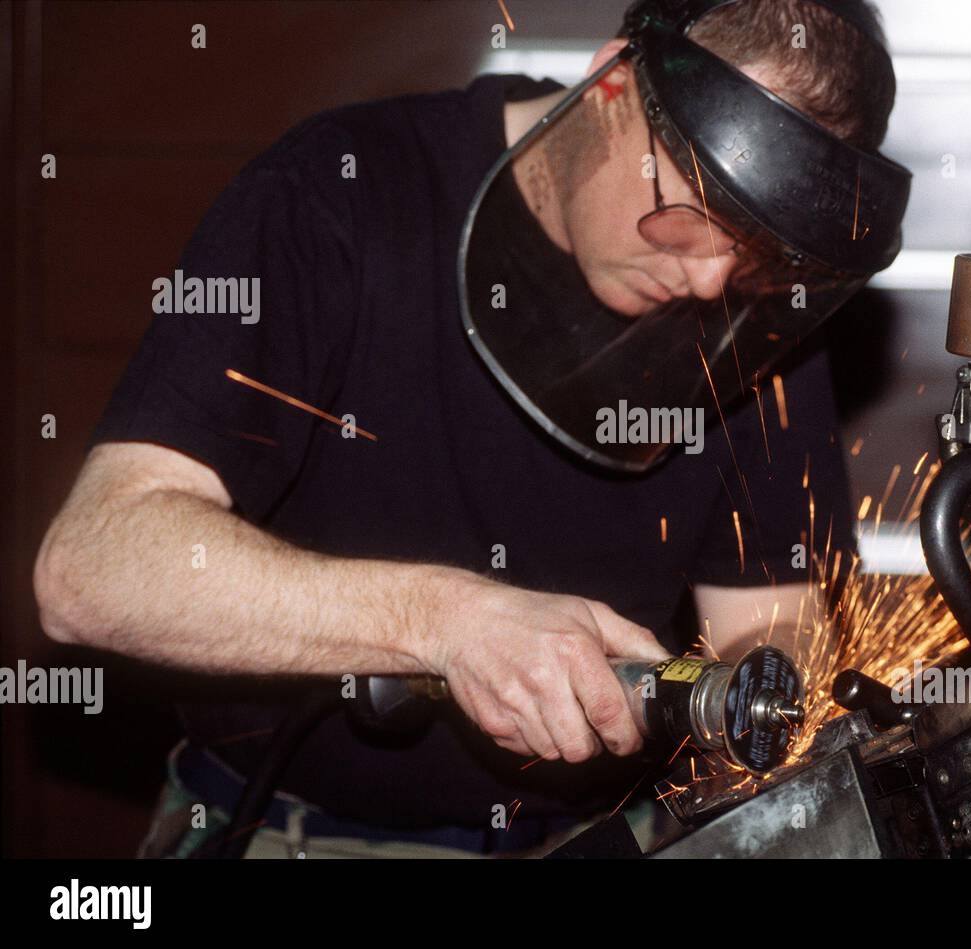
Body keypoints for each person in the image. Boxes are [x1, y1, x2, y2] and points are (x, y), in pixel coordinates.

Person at [33, 0, 908, 857]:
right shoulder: (338, 194)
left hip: (598, 836)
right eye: (697, 213)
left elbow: (773, 626)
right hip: (295, 831)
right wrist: (445, 621)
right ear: (613, 85)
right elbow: (93, 571)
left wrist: (746, 707)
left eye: (757, 247)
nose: (715, 278)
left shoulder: (747, 317)